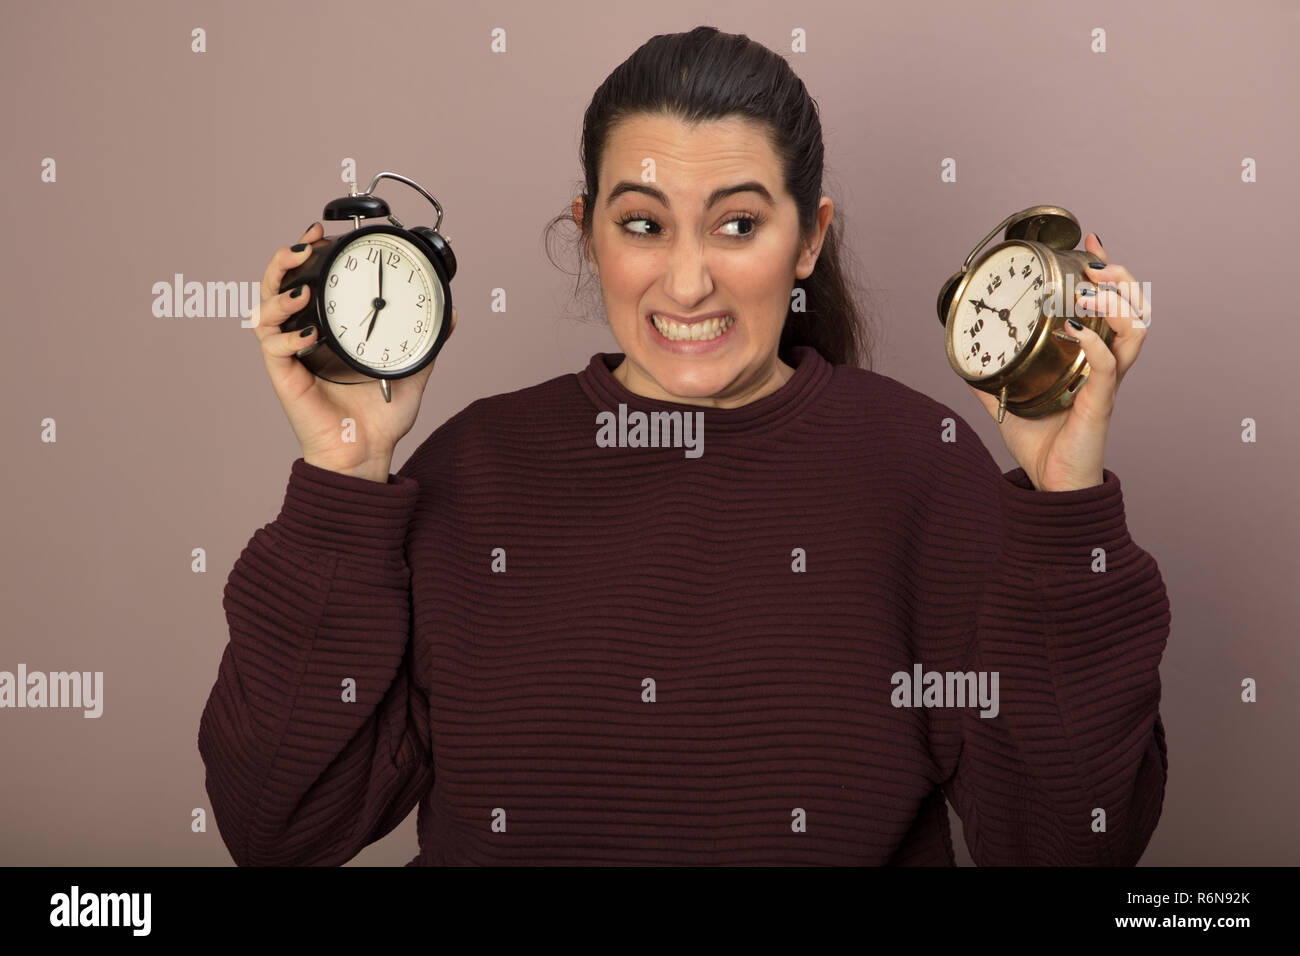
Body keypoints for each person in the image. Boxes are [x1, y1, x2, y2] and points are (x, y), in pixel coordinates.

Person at [198, 25, 1169, 866]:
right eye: (642, 225)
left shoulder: (923, 467)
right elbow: (276, 826)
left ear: (807, 240)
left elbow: (1072, 844)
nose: (689, 280)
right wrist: (343, 474)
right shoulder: (471, 468)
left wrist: (1060, 501)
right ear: (590, 235)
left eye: (738, 224)